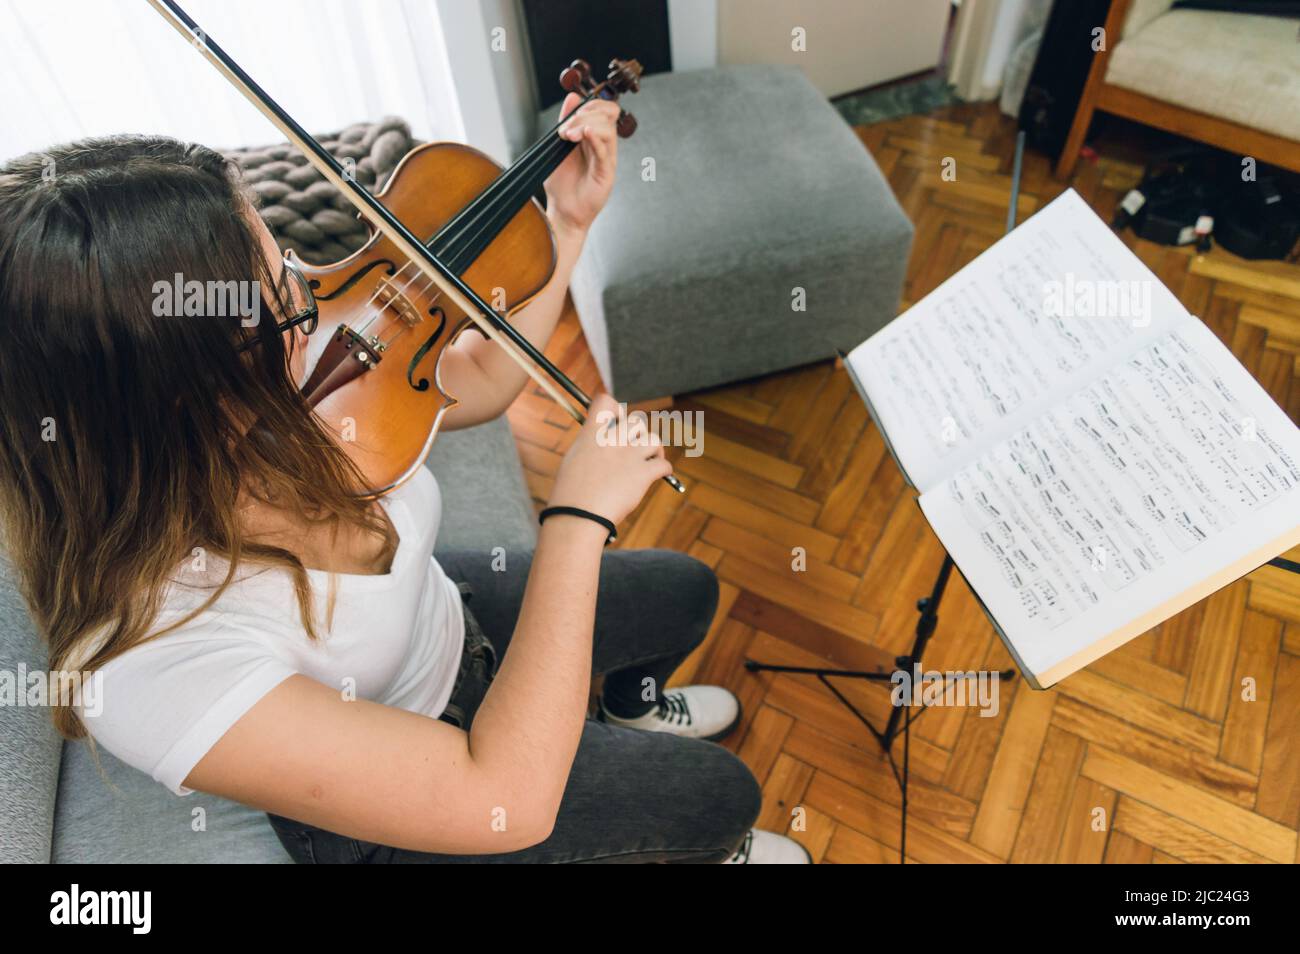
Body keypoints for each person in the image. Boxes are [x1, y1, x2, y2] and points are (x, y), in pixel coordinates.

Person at [0, 94, 809, 863]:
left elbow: (485, 375)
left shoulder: (283, 369)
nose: (313, 297)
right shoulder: (149, 666)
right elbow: (505, 793)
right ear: (183, 393)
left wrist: (566, 222)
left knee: (687, 591)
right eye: (276, 293)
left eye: (279, 254)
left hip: (441, 618)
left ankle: (624, 705)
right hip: (425, 796)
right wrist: (576, 518)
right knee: (721, 796)